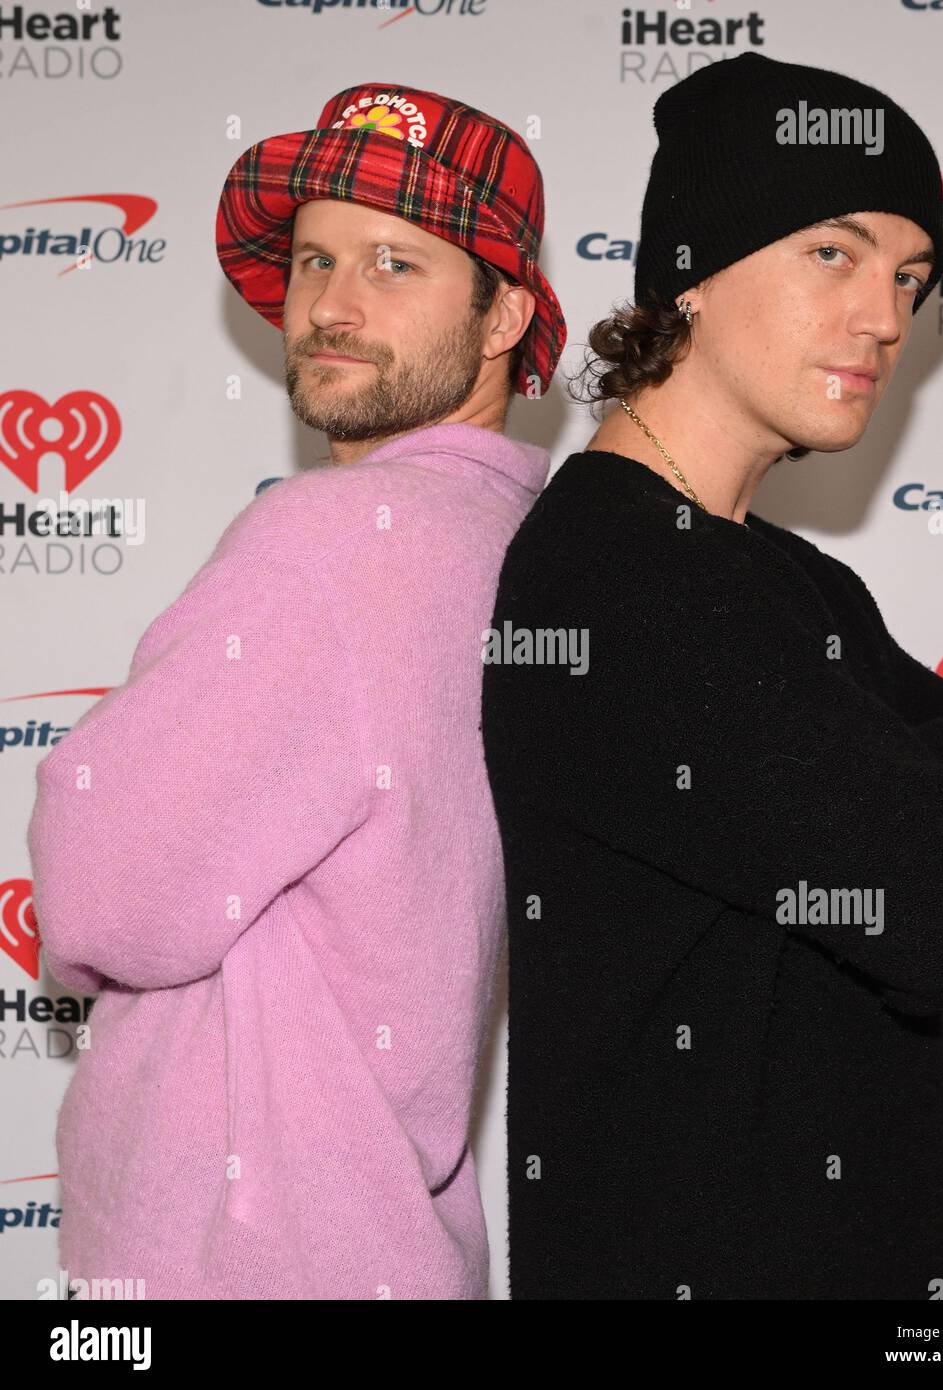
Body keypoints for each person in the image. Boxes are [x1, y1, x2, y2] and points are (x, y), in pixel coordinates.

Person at [480, 52, 943, 1299]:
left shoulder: (781, 579)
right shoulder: (620, 581)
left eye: (910, 277)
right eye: (833, 254)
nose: (885, 318)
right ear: (687, 277)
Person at [28, 82, 566, 1300]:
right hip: (387, 1242)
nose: (326, 304)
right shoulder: (518, 541)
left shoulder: (332, 540)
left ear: (503, 318)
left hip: (229, 1263)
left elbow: (106, 890)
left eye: (394, 262)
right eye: (313, 258)